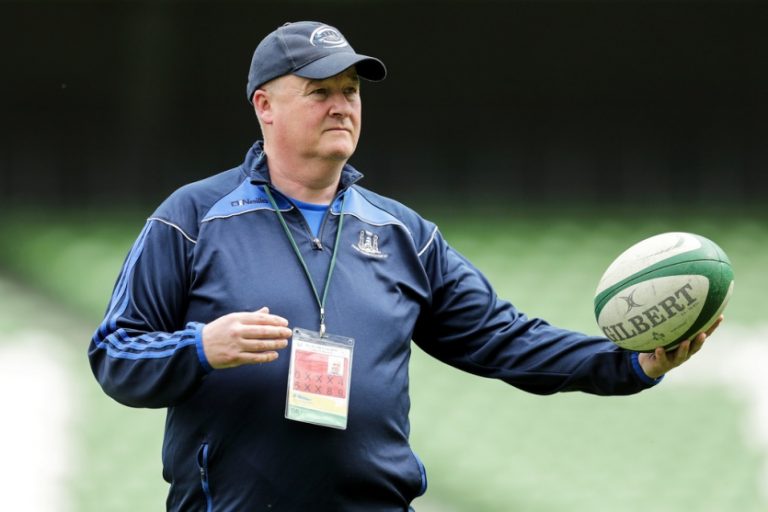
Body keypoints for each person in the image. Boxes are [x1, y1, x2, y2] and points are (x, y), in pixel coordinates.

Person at [88, 20, 720, 512]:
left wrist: (631, 364)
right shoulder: (192, 218)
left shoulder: (402, 234)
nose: (342, 105)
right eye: (319, 91)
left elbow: (504, 339)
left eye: (351, 91)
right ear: (265, 106)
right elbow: (115, 355)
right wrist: (201, 346)